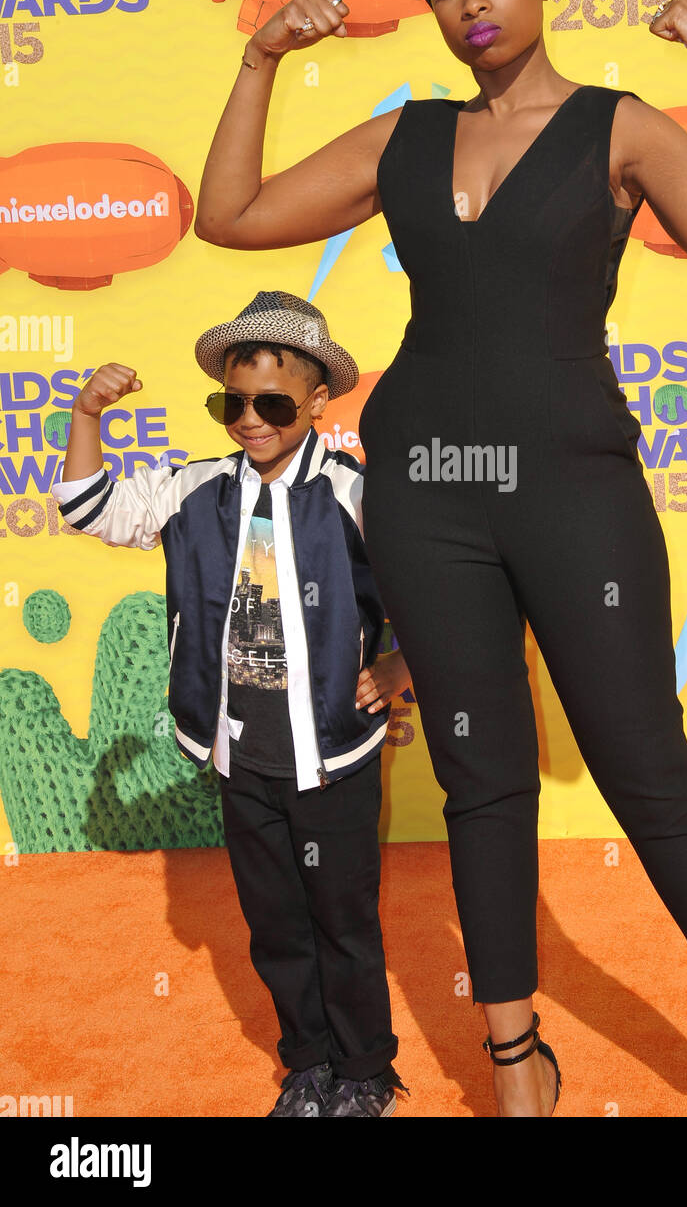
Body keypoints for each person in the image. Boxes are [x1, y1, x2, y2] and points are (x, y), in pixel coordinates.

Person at [193, 0, 687, 1119]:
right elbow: (230, 216)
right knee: (482, 778)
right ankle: (513, 1056)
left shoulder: (619, 127)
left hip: (572, 487)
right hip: (426, 488)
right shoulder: (405, 139)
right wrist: (260, 52)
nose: (468, 3)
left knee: (647, 772)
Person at [50, 290, 412, 1118]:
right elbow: (86, 506)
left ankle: (365, 1075)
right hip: (239, 754)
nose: (251, 420)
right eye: (233, 403)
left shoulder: (360, 495)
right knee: (276, 921)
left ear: (319, 404)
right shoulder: (195, 490)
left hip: (332, 754)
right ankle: (309, 1064)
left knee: (343, 924)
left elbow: (445, 594)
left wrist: (400, 668)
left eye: (274, 404)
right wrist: (84, 413)